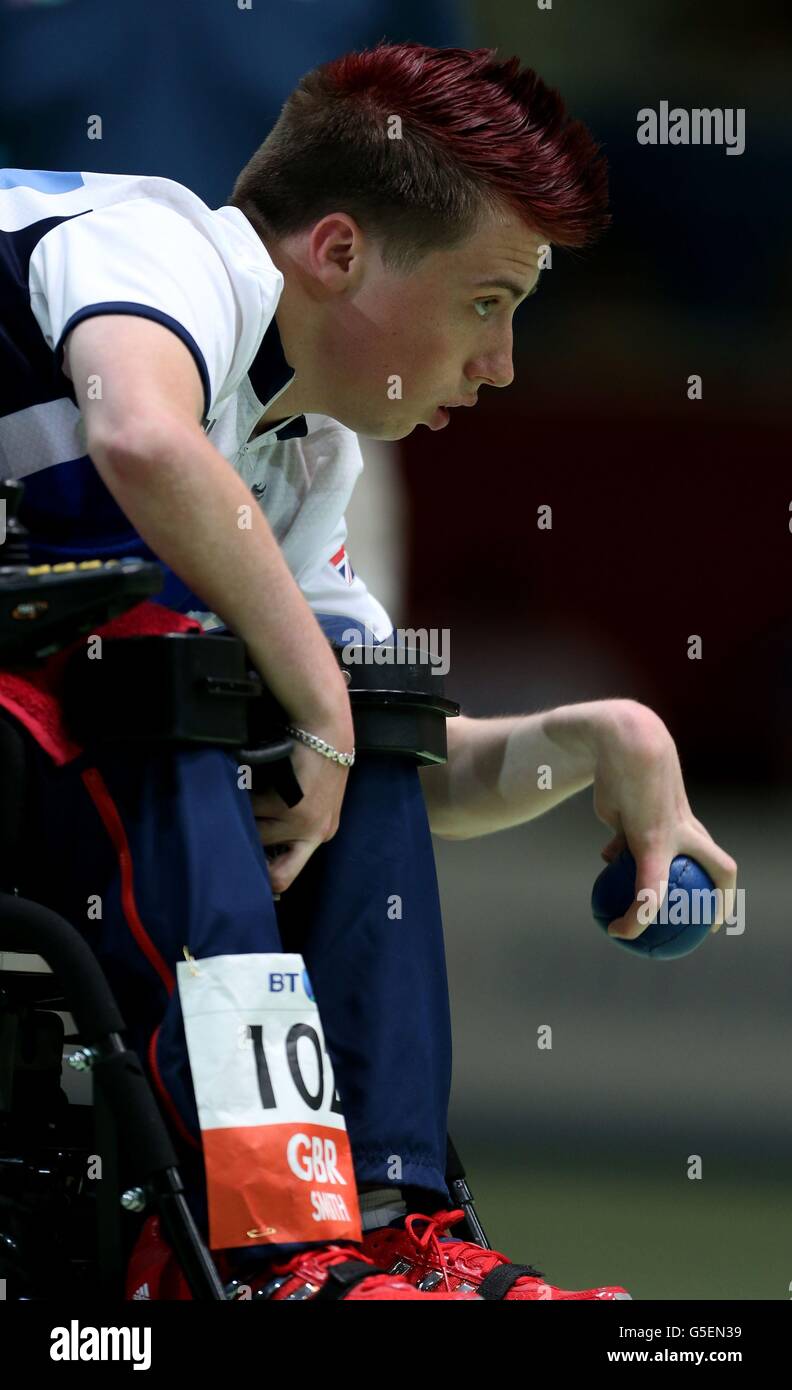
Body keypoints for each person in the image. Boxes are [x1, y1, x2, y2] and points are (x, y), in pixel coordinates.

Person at [0, 43, 736, 1301]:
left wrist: (601, 734)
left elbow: (375, 762)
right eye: (488, 303)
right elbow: (135, 433)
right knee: (193, 670)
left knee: (349, 693)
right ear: (337, 253)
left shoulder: (295, 454)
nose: (500, 366)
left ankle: (395, 1230)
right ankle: (268, 1248)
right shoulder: (155, 243)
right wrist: (322, 701)